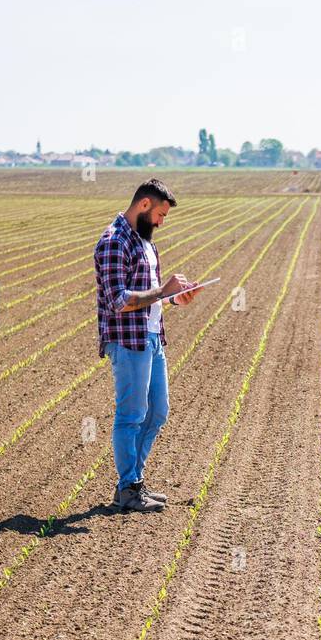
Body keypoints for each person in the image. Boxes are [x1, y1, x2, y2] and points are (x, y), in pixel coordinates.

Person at [94, 178, 204, 512]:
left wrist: (175, 298)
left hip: (152, 337)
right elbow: (117, 300)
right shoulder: (114, 242)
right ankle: (128, 488)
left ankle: (133, 484)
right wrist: (162, 291)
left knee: (157, 411)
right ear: (144, 205)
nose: (160, 221)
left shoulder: (144, 243)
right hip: (129, 342)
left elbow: (152, 295)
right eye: (160, 214)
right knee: (131, 415)